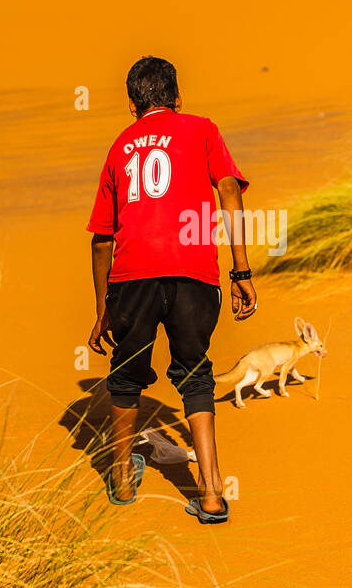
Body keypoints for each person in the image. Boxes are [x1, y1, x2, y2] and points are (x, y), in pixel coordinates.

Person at [87, 56, 256, 523]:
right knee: (196, 374)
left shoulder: (120, 146)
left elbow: (102, 237)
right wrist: (240, 270)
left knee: (124, 376)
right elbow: (229, 190)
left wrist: (102, 308)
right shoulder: (202, 129)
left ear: (132, 105)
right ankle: (213, 494)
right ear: (177, 97)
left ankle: (122, 478)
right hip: (193, 272)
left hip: (133, 276)